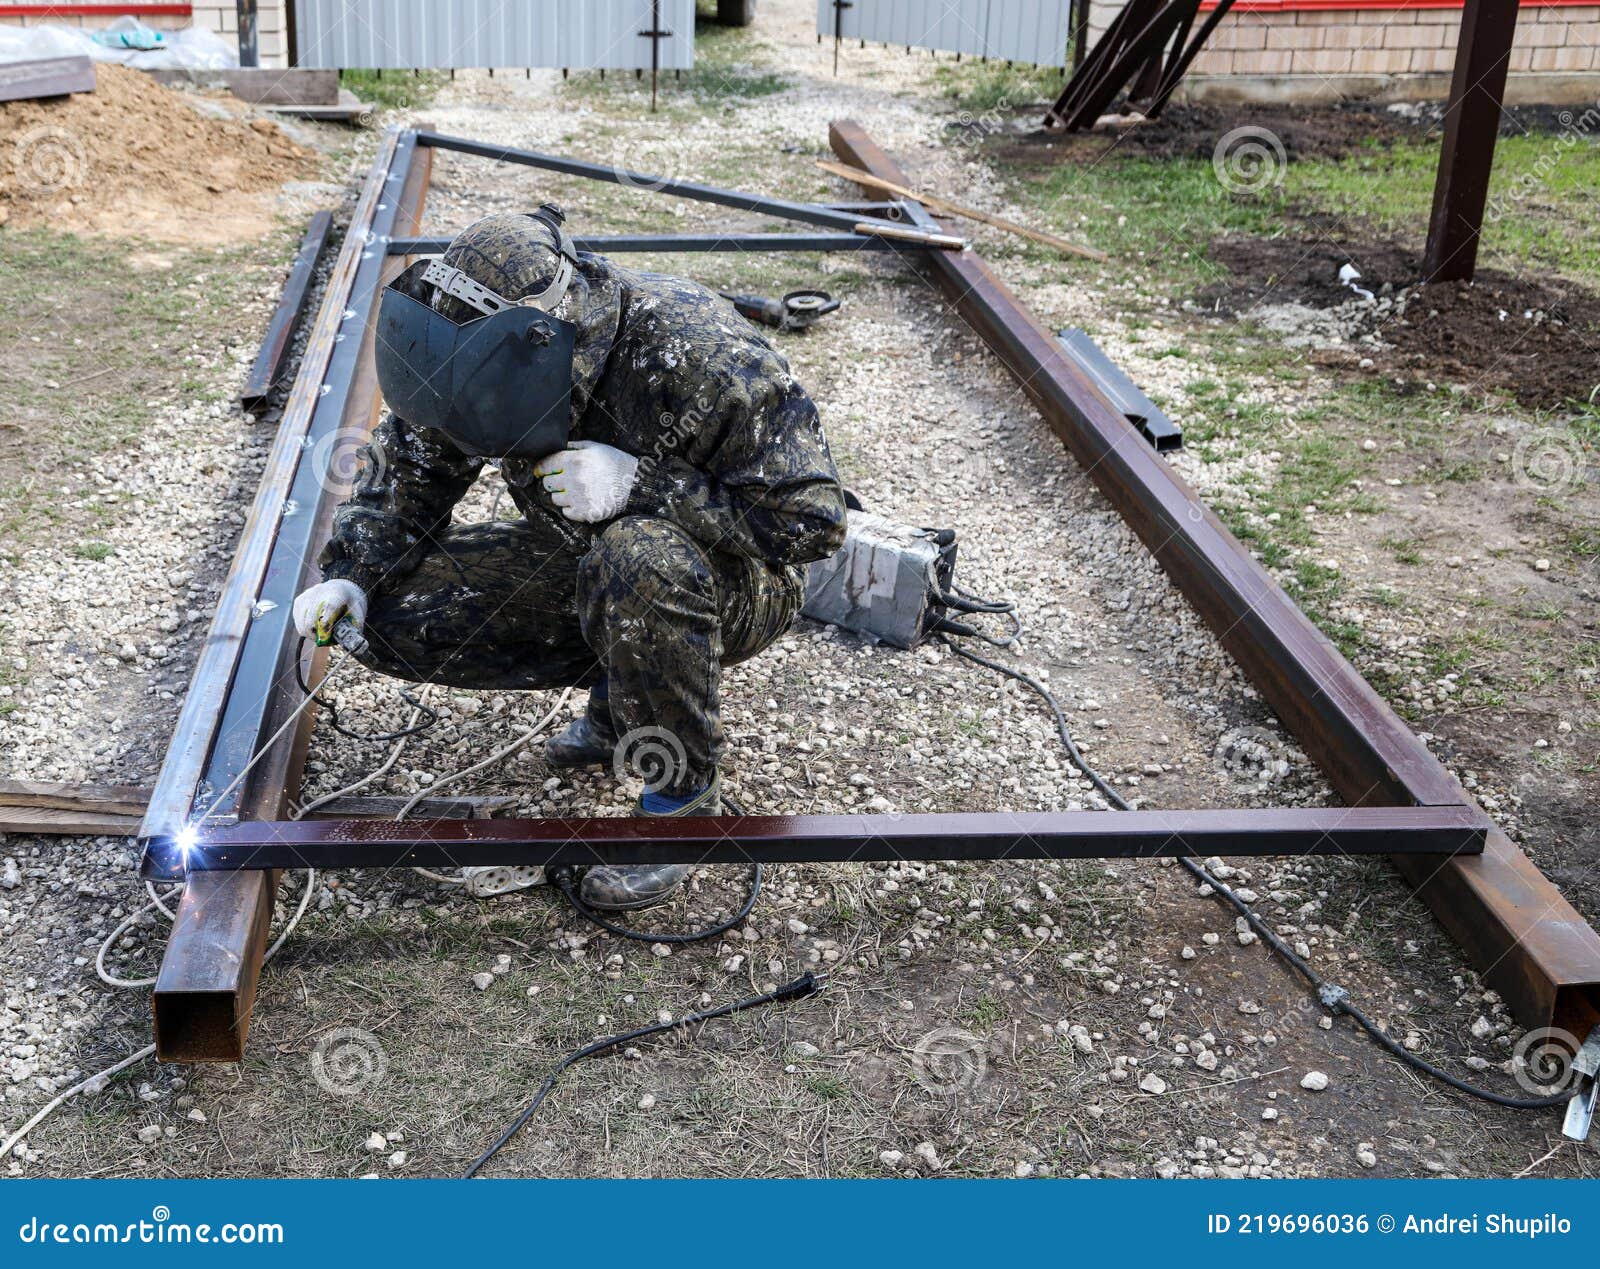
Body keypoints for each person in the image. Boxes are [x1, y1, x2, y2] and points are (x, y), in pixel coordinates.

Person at [290, 206, 846, 911]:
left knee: (637, 557)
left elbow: (812, 525)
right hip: (591, 563)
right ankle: (624, 699)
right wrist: (351, 571)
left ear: (544, 336)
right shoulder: (472, 342)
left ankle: (682, 801)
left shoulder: (698, 351)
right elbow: (414, 466)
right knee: (397, 609)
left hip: (735, 581)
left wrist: (642, 484)